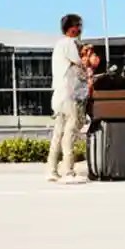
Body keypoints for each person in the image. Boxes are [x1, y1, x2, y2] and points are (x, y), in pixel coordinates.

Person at [46, 13, 87, 184]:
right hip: (69, 95)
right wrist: (86, 55)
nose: (79, 29)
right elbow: (80, 63)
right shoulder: (69, 43)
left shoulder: (58, 45)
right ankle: (69, 171)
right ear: (71, 28)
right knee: (70, 132)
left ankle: (52, 170)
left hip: (58, 96)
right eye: (77, 26)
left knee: (58, 133)